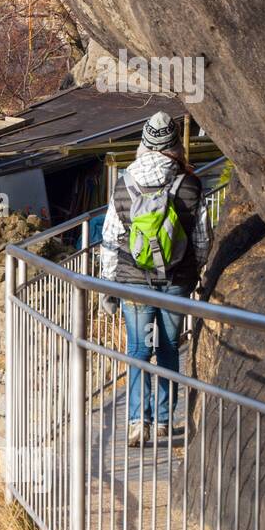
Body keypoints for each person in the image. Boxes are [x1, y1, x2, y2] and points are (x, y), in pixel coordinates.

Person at [98, 112, 211, 447]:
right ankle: (163, 420)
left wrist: (108, 286)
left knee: (137, 349)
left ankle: (137, 422)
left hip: (134, 281)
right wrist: (196, 271)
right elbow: (202, 238)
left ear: (143, 144)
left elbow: (111, 237)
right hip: (176, 279)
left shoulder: (125, 182)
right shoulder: (189, 183)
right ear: (175, 146)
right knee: (169, 348)